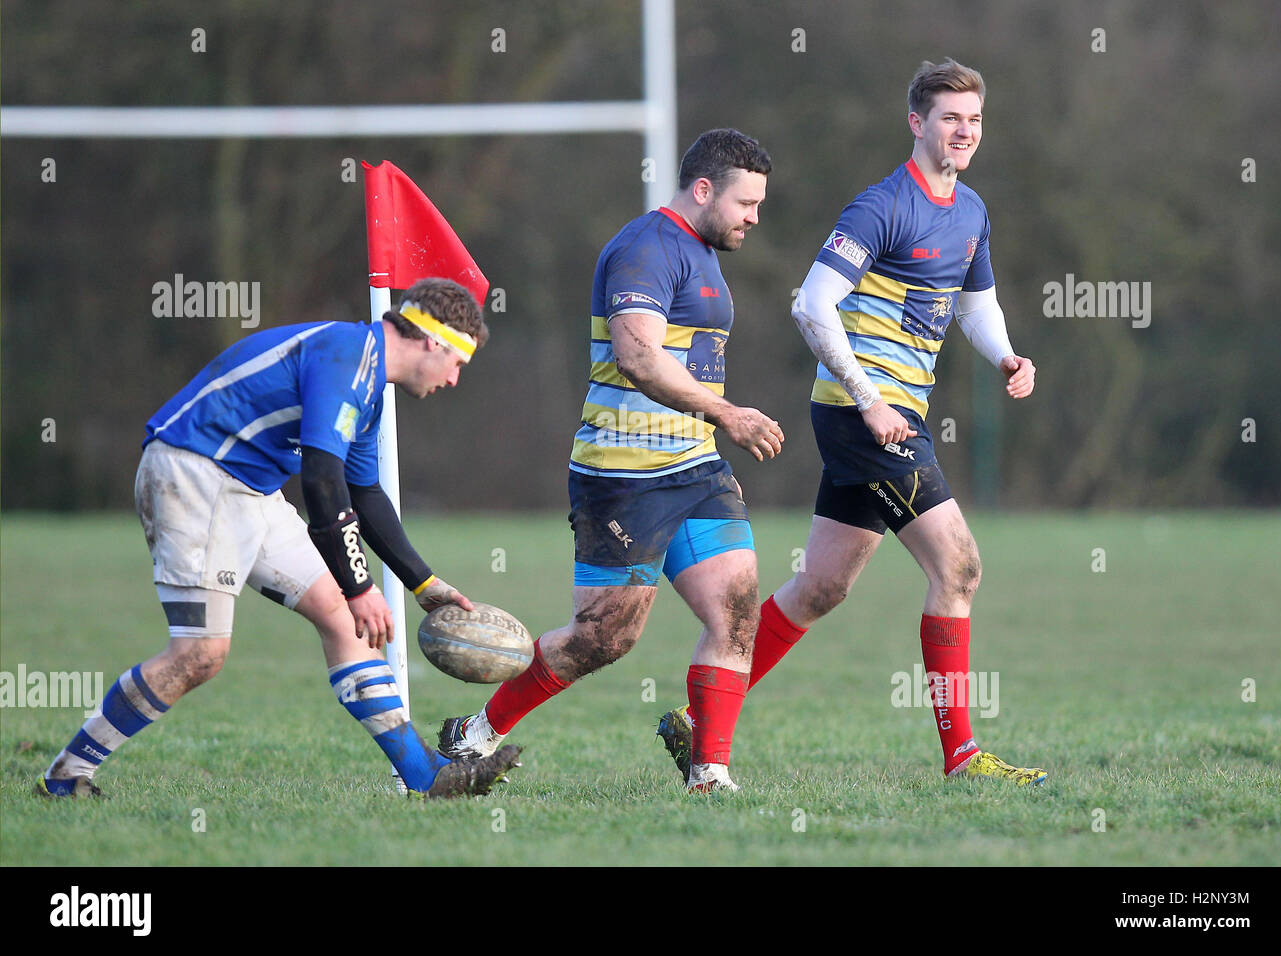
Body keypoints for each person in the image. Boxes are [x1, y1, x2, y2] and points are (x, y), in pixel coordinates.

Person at [657, 59, 1048, 786]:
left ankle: (696, 715)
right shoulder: (880, 207)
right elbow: (811, 303)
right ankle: (962, 757)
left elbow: (974, 304)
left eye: (974, 120)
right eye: (949, 118)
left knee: (820, 588)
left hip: (888, 417)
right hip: (864, 417)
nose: (963, 132)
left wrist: (1005, 354)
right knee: (959, 567)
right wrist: (869, 397)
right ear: (916, 123)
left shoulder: (971, 211)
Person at [37, 278, 521, 800]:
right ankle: (66, 776)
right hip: (196, 473)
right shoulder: (347, 354)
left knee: (344, 622)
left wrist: (423, 584)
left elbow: (364, 495)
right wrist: (360, 586)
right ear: (433, 341)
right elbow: (320, 478)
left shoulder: (369, 387)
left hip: (250, 489)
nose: (453, 380)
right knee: (199, 654)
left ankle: (427, 778)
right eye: (457, 364)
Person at [439, 129, 784, 792]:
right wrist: (728, 413)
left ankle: (710, 775)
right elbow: (638, 357)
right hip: (624, 477)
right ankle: (474, 734)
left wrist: (712, 427)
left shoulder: (703, 252)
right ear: (704, 189)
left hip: (697, 471)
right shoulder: (646, 248)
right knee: (603, 638)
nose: (754, 217)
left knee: (737, 613)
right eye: (746, 202)